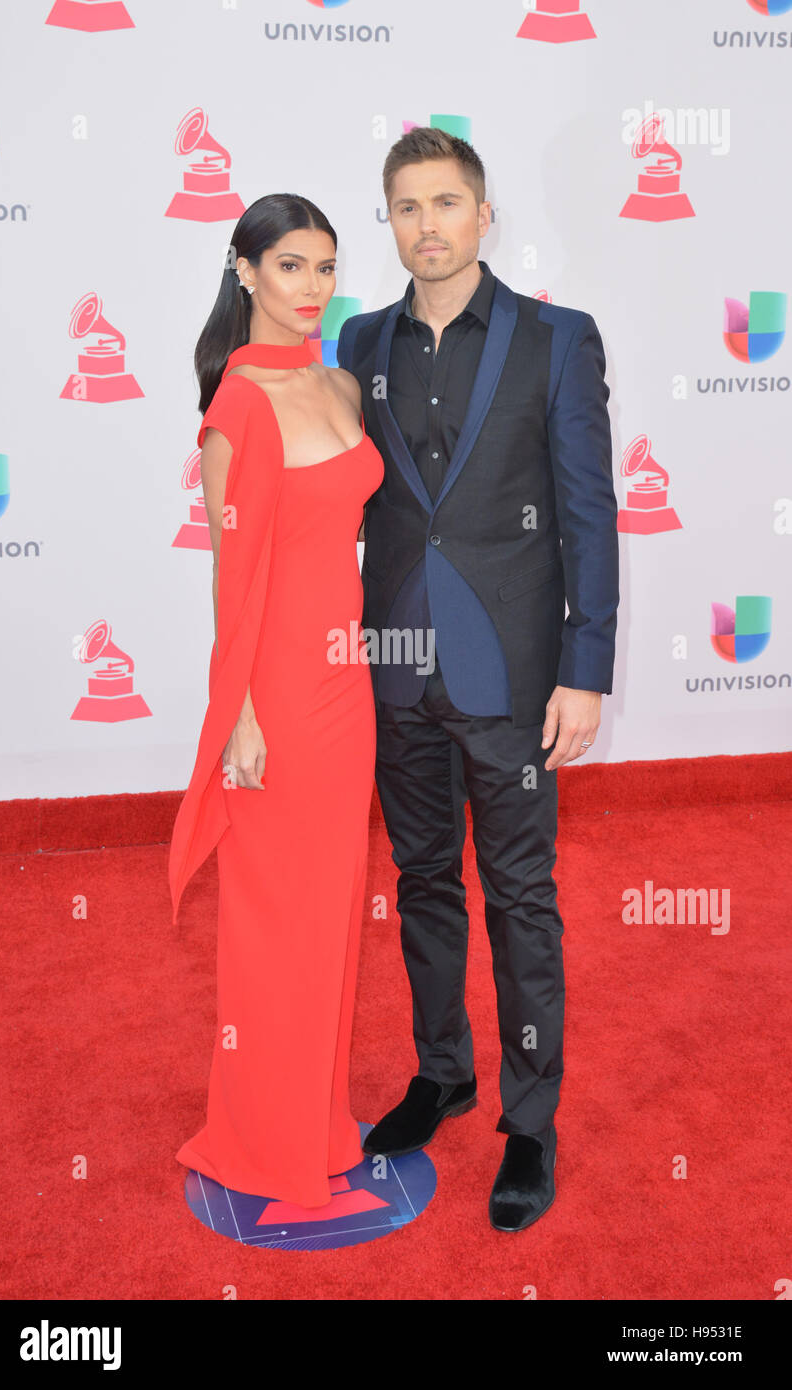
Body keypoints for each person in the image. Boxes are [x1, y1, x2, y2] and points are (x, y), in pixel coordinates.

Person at [337, 128, 619, 1231]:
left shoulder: (556, 339)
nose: (428, 225)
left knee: (521, 897)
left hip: (514, 673)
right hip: (397, 666)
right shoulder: (359, 341)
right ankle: (443, 1069)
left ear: (484, 214)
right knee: (420, 881)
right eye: (407, 206)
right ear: (391, 220)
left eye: (447, 202)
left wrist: (585, 667)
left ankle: (529, 1117)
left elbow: (589, 512)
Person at [169, 194, 384, 1208]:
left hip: (349, 683)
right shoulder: (236, 410)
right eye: (290, 267)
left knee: (336, 912)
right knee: (275, 920)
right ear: (246, 271)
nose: (311, 288)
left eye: (326, 268)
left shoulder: (337, 380)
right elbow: (228, 576)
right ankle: (264, 1143)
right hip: (281, 695)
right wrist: (241, 717)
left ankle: (319, 1120)